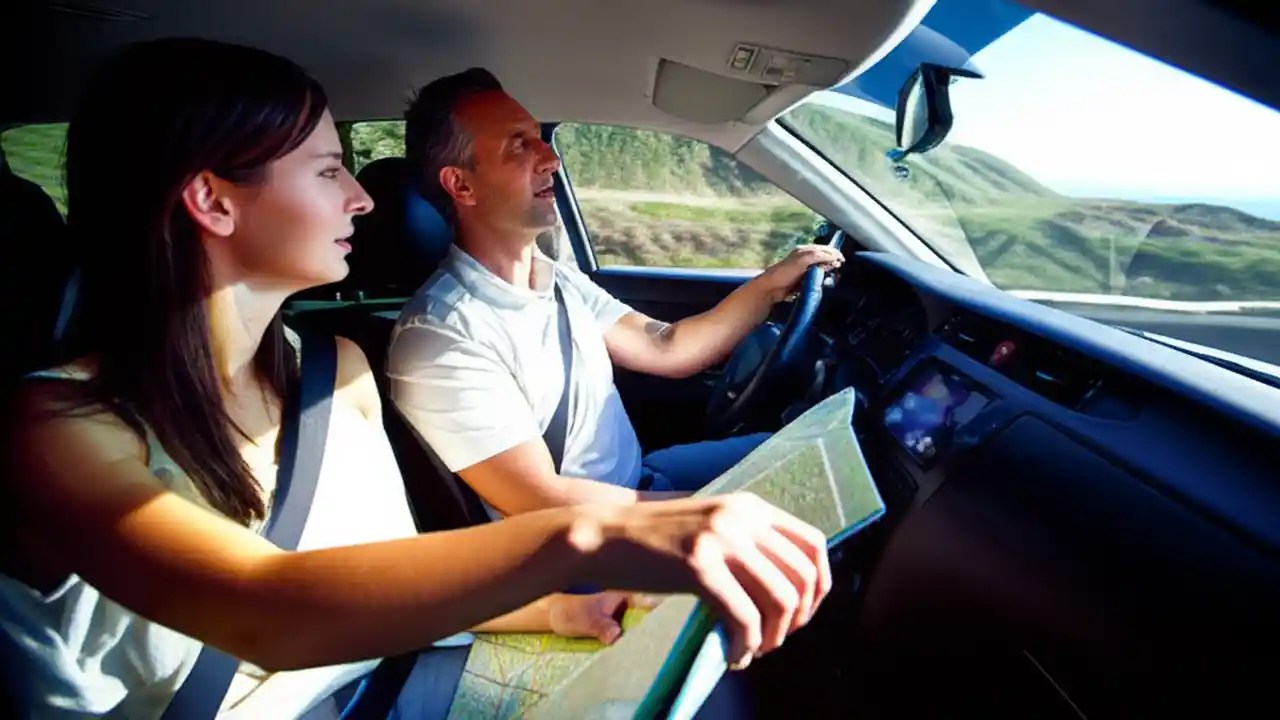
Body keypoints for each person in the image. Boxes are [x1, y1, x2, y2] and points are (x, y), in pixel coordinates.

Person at [0, 39, 831, 718]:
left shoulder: (332, 371)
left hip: (383, 681)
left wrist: (550, 612)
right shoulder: (55, 430)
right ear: (214, 203)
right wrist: (598, 537)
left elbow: (385, 568)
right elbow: (265, 608)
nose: (364, 199)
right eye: (329, 170)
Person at [387, 69, 844, 517]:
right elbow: (543, 503)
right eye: (519, 145)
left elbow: (665, 345)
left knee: (814, 454)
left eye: (540, 138)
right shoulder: (439, 337)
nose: (551, 159)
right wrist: (721, 509)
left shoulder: (554, 280)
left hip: (641, 483)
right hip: (591, 550)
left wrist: (768, 286)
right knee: (806, 501)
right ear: (461, 184)